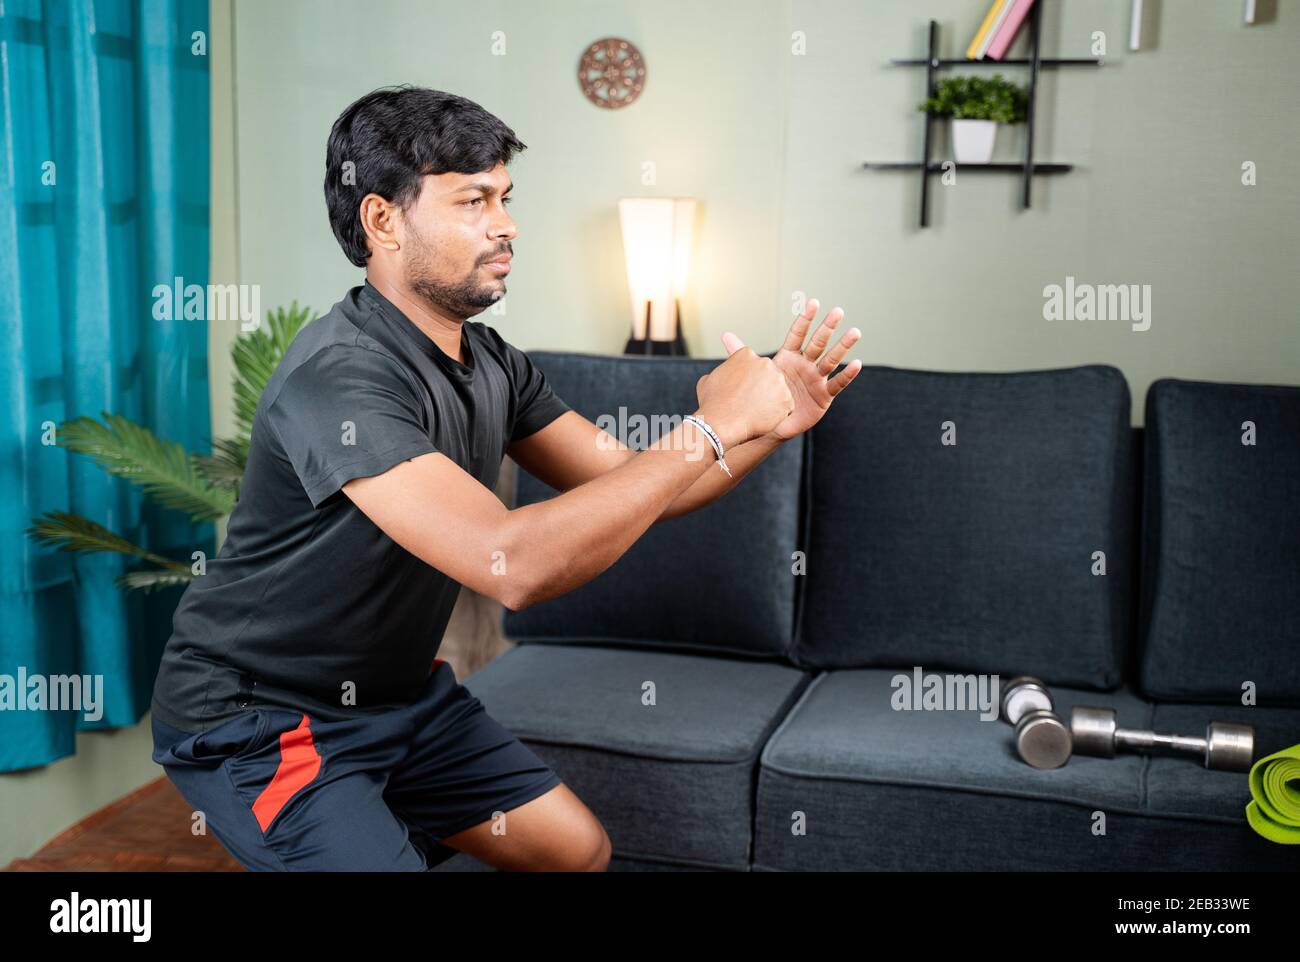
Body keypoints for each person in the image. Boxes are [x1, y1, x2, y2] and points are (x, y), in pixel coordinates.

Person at [149, 84, 863, 872]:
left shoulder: (491, 361)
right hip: (266, 716)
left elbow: (642, 485)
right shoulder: (341, 377)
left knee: (576, 850)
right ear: (382, 219)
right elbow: (510, 564)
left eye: (506, 197)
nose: (506, 223)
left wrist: (765, 425)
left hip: (400, 700)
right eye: (472, 201)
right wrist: (711, 425)